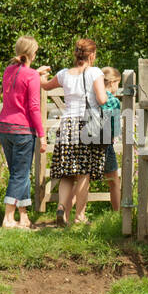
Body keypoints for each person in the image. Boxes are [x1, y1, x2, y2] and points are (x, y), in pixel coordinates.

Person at [40, 38, 108, 225]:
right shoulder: (95, 72)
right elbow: (102, 99)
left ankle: (62, 207)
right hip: (87, 125)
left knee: (67, 174)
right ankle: (80, 216)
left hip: (67, 125)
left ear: (75, 54)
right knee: (84, 174)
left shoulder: (63, 74)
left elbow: (45, 86)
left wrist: (41, 76)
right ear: (92, 55)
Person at [0, 36, 48, 229]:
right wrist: (42, 135)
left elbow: (20, 78)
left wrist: (35, 72)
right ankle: (8, 218)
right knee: (20, 174)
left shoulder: (8, 70)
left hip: (5, 129)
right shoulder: (32, 75)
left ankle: (23, 216)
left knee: (19, 173)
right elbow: (34, 107)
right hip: (23, 131)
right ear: (32, 53)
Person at [100, 67, 124, 212]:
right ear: (113, 82)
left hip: (90, 141)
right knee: (114, 180)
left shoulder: (93, 96)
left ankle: (76, 214)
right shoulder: (114, 101)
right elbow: (115, 129)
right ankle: (118, 212)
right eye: (118, 84)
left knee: (84, 179)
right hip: (106, 143)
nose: (118, 88)